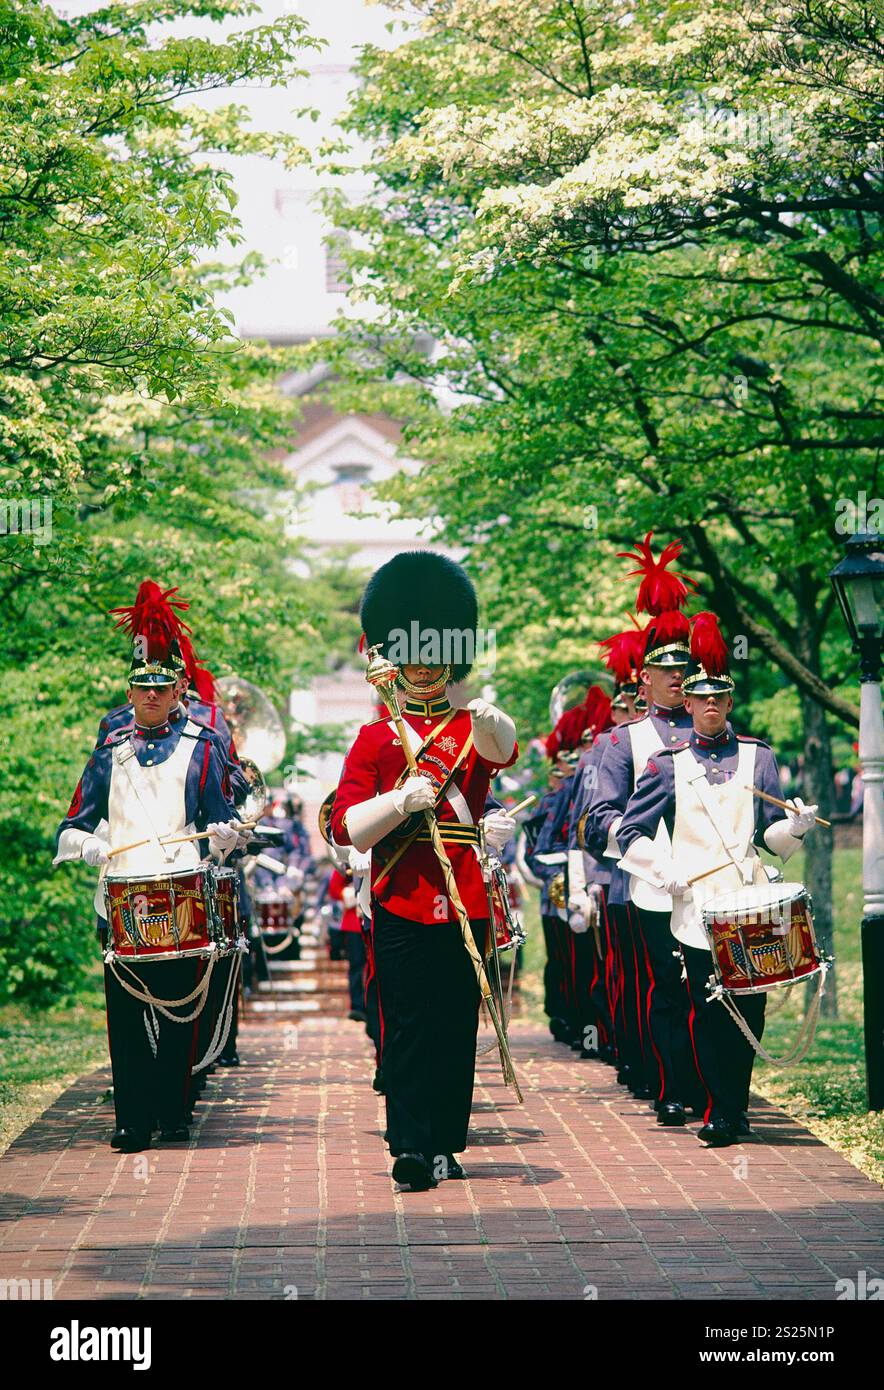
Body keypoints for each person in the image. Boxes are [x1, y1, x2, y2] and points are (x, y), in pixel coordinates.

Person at [330, 550, 518, 1192]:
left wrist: (492, 718)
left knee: (454, 1022)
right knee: (407, 1024)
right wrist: (398, 801)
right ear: (398, 659)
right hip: (400, 893)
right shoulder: (375, 739)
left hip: (464, 895)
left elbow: (502, 748)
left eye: (438, 652)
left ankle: (445, 1142)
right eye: (415, 652)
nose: (428, 664)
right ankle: (410, 1144)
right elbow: (345, 825)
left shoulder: (470, 727)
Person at [54, 591, 247, 1152]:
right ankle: (132, 1120)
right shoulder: (108, 748)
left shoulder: (205, 747)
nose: (153, 696)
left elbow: (220, 819)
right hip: (122, 892)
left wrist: (227, 838)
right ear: (130, 691)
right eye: (143, 688)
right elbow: (73, 823)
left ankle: (174, 1110)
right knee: (127, 1011)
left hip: (181, 888)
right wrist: (88, 847)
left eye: (163, 687)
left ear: (178, 690)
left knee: (181, 1007)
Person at [617, 611, 819, 1146]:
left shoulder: (759, 757)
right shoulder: (665, 764)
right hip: (694, 908)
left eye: (719, 698)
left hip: (749, 903)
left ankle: (735, 1106)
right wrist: (665, 870)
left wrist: (795, 828)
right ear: (687, 704)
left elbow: (767, 839)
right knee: (708, 1010)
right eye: (700, 698)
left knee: (749, 1006)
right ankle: (720, 1110)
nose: (710, 706)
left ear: (729, 703)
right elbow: (630, 831)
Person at [586, 535, 703, 1122]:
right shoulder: (623, 741)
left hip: (714, 878)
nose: (677, 679)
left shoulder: (716, 731)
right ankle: (672, 1086)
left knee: (712, 987)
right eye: (665, 669)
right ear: (645, 677)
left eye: (685, 668)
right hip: (654, 882)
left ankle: (717, 1090)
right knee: (667, 985)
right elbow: (599, 821)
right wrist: (652, 860)